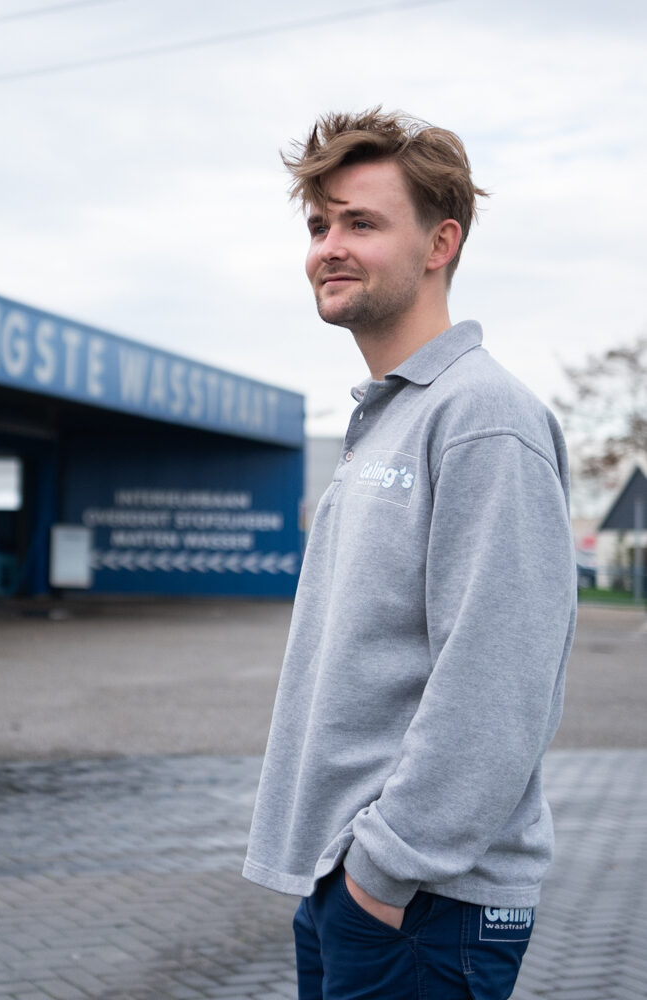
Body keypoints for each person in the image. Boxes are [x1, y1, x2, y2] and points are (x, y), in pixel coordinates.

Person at [243, 108, 577, 999]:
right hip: (355, 888)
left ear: (441, 242)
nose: (329, 247)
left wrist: (380, 876)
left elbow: (499, 677)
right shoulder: (384, 421)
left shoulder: (484, 420)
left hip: (425, 906)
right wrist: (345, 883)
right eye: (319, 226)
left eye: (361, 221)